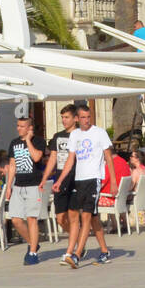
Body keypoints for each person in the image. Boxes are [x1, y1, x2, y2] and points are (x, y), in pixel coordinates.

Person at [57, 102, 117, 267]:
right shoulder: (75, 135)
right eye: (83, 117)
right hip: (79, 180)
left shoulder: (99, 133)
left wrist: (113, 182)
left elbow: (108, 157)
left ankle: (76, 255)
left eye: (88, 117)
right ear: (77, 119)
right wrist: (60, 180)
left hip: (94, 179)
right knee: (91, 218)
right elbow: (70, 161)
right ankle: (104, 251)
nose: (86, 120)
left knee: (86, 216)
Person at [2, 116, 46, 264]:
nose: (18, 128)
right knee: (15, 219)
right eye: (18, 126)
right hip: (18, 185)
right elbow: (13, 165)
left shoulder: (38, 141)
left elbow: (37, 157)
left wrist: (28, 140)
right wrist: (9, 186)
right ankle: (33, 243)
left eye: (22, 126)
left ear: (29, 128)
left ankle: (32, 252)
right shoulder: (14, 143)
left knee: (31, 218)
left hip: (33, 185)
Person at [42, 105, 79, 242]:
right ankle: (78, 237)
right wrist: (45, 178)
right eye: (62, 117)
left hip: (76, 178)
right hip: (60, 179)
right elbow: (53, 158)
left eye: (67, 117)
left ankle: (76, 245)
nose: (64, 120)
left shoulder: (80, 135)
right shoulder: (58, 136)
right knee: (60, 218)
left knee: (73, 215)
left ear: (75, 118)